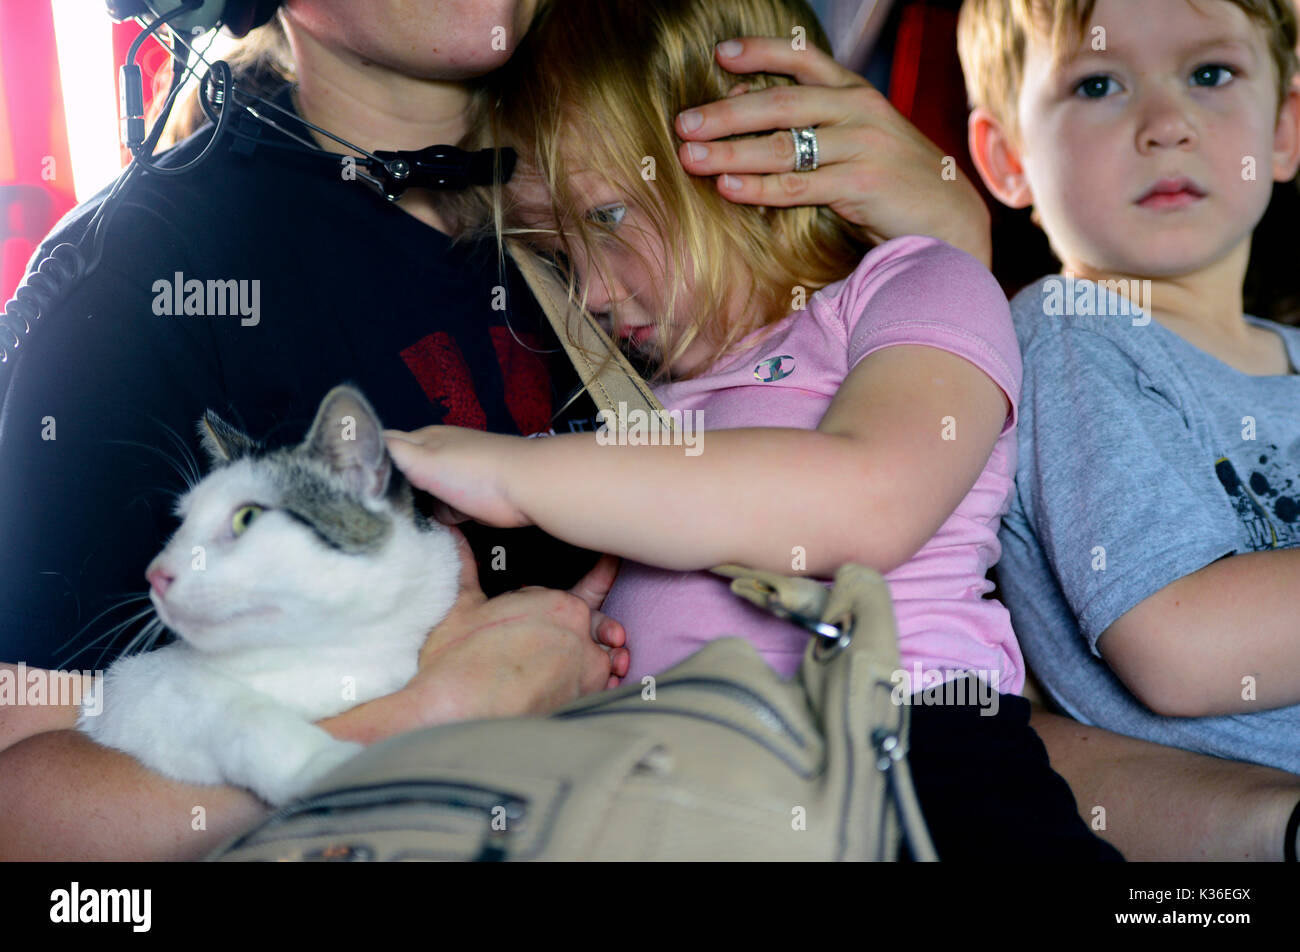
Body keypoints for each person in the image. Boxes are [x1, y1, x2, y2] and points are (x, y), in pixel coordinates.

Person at [0, 0, 993, 859]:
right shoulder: (134, 282)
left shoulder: (658, 179)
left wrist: (943, 243)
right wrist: (417, 723)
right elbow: (23, 811)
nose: (597, 277)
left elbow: (936, 633)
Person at [959, 0, 1300, 838]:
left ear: (1286, 129)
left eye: (1210, 74)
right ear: (1008, 159)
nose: (1166, 124)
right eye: (1100, 83)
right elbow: (1182, 650)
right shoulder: (1072, 334)